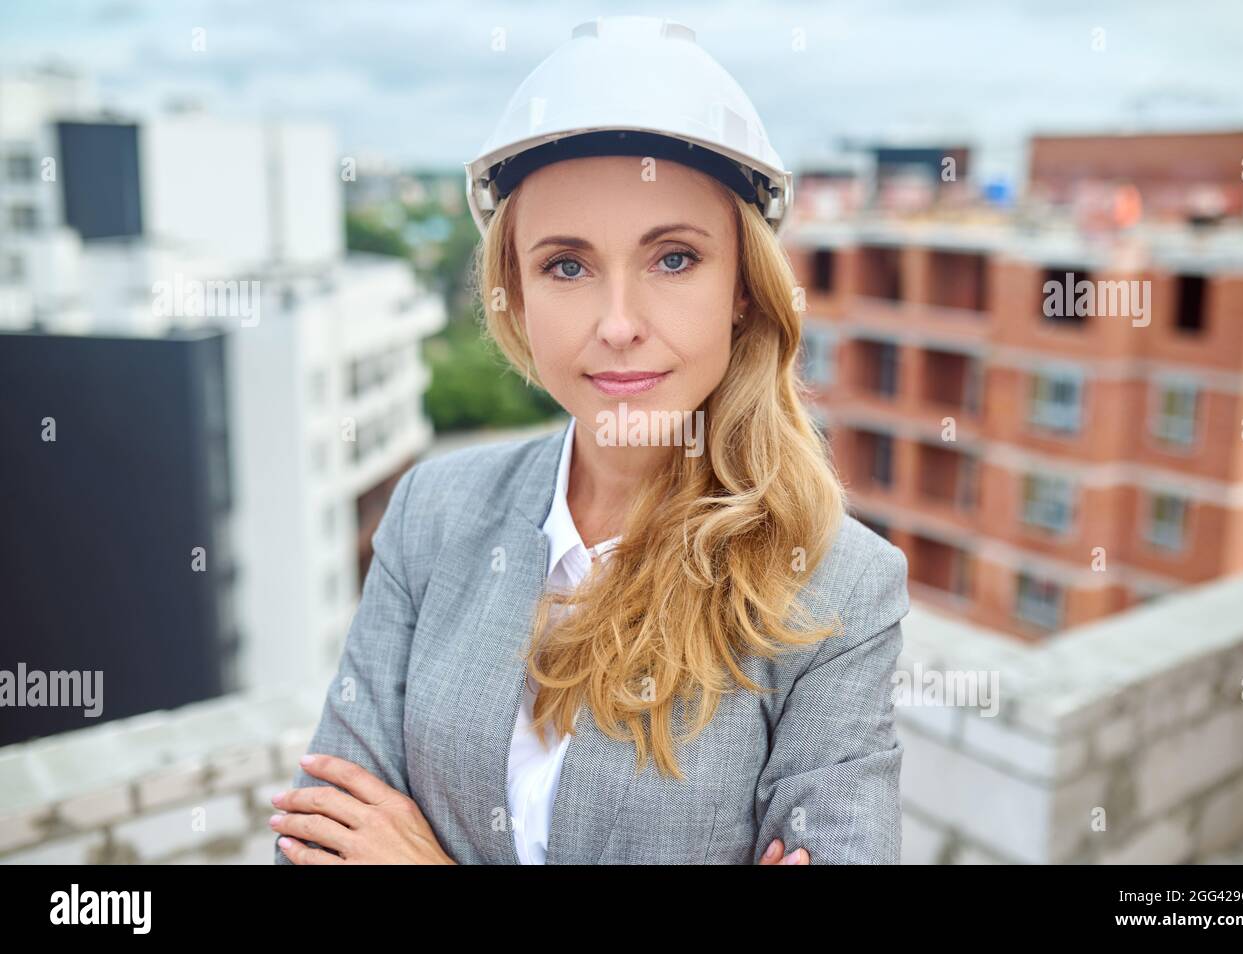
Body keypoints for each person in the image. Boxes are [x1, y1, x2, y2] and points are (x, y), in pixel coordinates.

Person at [272, 14, 908, 866]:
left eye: (674, 258)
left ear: (744, 290)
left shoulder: (841, 592)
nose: (617, 326)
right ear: (516, 296)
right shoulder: (434, 510)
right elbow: (313, 846)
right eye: (565, 265)